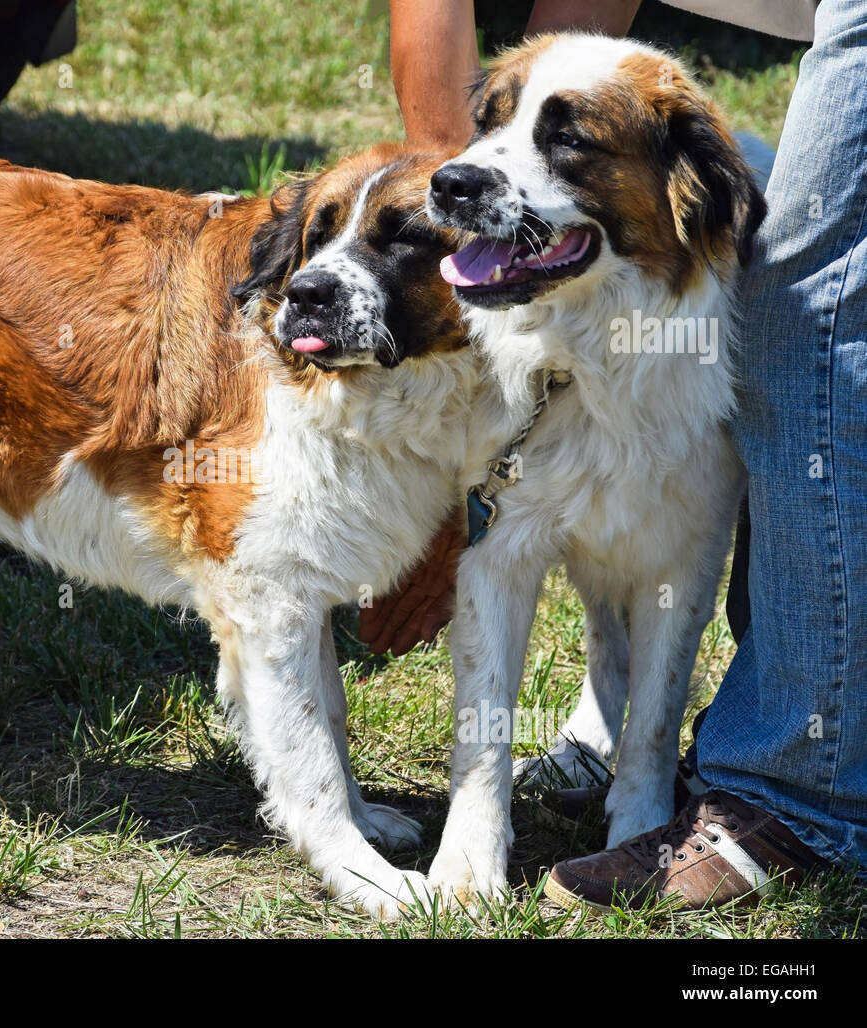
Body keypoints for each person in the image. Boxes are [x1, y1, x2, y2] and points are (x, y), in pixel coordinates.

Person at [369, 0, 866, 909]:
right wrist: (475, 817)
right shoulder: (503, 300)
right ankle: (487, 806)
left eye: (565, 141)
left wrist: (641, 797)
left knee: (668, 556)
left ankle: (659, 785)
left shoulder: (716, 308)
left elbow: (681, 569)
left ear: (690, 188)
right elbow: (496, 566)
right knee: (513, 546)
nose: (481, 163)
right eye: (498, 122)